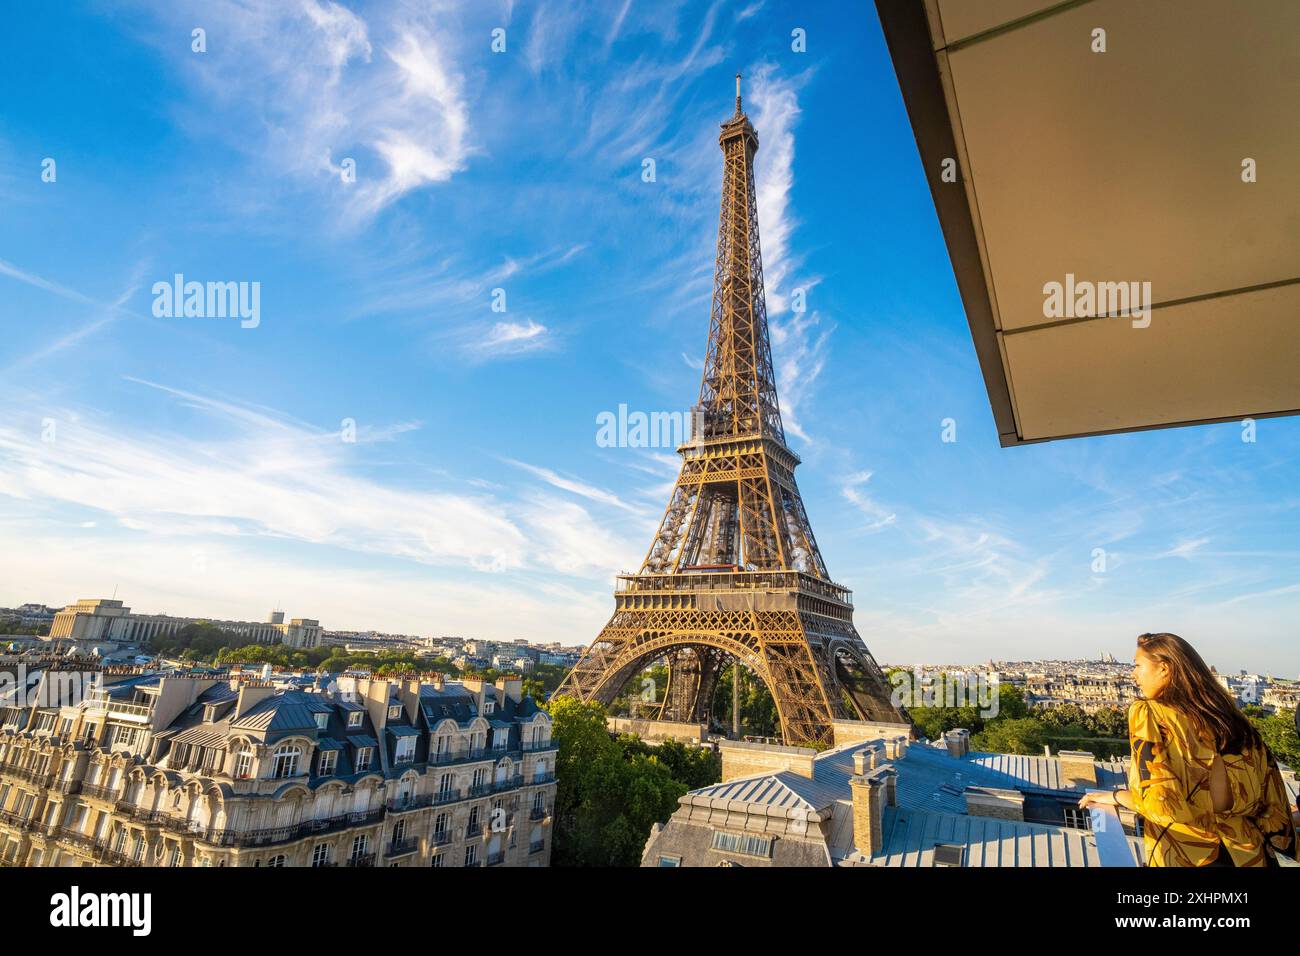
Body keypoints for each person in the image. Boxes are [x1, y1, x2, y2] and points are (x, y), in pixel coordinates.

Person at [1078, 632, 1297, 867]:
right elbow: (1275, 811)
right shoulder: (1236, 721)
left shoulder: (1152, 715)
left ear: (1164, 668)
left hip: (1190, 856)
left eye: (1138, 665)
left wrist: (1116, 796)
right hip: (1251, 856)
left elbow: (1161, 805)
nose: (1133, 675)